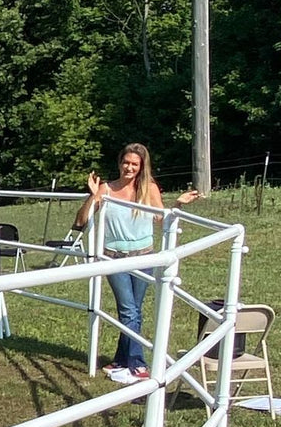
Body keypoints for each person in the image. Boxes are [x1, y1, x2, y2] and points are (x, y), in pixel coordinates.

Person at [74, 143, 200, 380]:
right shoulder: (106, 189)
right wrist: (93, 196)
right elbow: (81, 221)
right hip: (114, 258)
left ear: (142, 167)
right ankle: (138, 363)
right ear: (119, 162)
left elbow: (162, 221)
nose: (128, 168)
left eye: (134, 164)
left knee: (134, 312)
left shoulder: (149, 188)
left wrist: (178, 204)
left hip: (144, 257)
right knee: (129, 310)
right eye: (125, 162)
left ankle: (120, 360)